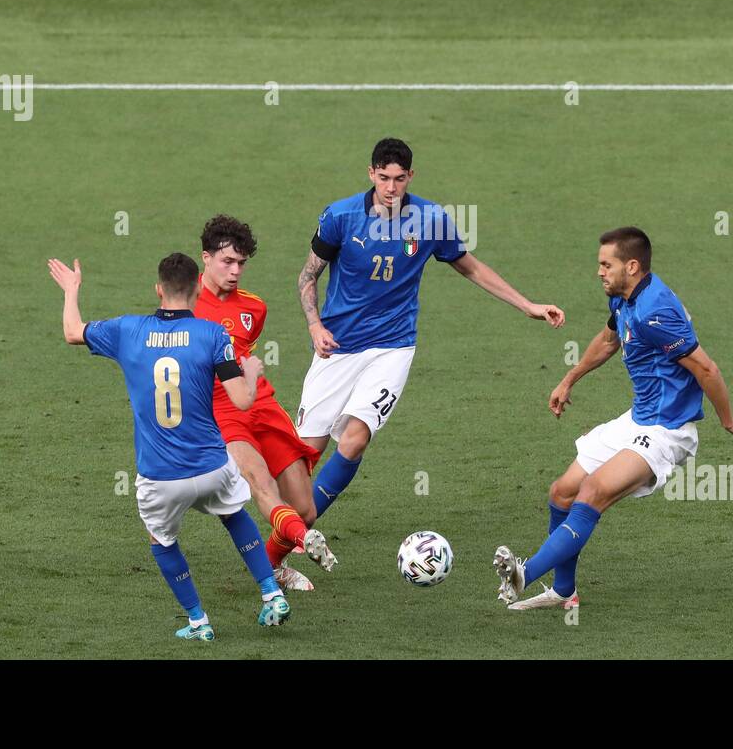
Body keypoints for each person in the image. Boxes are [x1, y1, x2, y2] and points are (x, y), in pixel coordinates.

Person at [295, 137, 565, 520]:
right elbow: (308, 276)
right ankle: (289, 529)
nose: (391, 188)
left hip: (393, 346)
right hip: (338, 344)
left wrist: (527, 306)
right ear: (371, 173)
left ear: (411, 176)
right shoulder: (340, 217)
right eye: (384, 178)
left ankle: (296, 534)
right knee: (303, 455)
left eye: (400, 179)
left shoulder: (430, 219)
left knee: (355, 440)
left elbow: (469, 265)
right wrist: (314, 325)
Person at [492, 226, 733, 609]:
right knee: (563, 491)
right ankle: (564, 591)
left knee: (593, 492)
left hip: (668, 430)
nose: (599, 271)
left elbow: (706, 369)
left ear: (631, 266)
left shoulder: (656, 311)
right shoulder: (624, 299)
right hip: (637, 420)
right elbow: (607, 341)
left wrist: (727, 421)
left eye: (607, 264)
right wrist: (569, 379)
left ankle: (524, 574)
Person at [48, 252, 290, 640]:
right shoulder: (213, 334)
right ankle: (271, 592)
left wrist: (72, 290)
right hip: (212, 466)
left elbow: (72, 332)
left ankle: (199, 621)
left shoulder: (127, 330)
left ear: (158, 290)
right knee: (234, 513)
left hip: (161, 477)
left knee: (160, 538)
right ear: (197, 288)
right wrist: (250, 371)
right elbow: (243, 401)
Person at [193, 214, 334, 592]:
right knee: (260, 481)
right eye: (227, 261)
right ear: (205, 258)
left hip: (262, 406)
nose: (236, 270)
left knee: (305, 509)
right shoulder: (184, 303)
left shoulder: (254, 309)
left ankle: (272, 565)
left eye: (241, 263)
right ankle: (301, 542)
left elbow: (245, 358)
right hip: (221, 413)